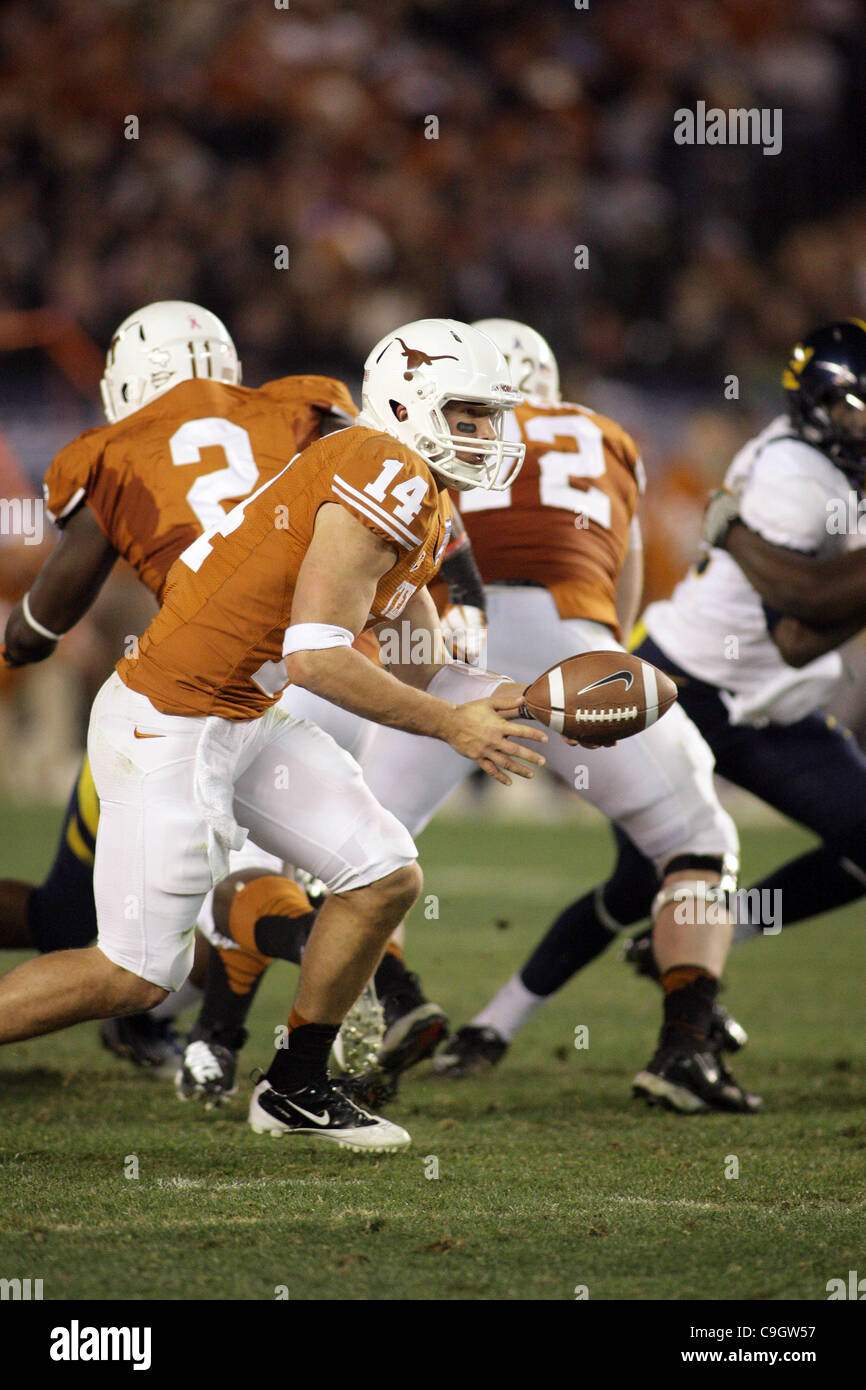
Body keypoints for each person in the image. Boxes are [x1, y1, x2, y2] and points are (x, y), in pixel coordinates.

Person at [0, 316, 547, 1153]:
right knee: (136, 975)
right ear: (407, 403)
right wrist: (452, 727)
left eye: (490, 415)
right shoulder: (383, 466)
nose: (487, 433)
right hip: (171, 719)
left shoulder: (417, 492)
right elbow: (320, 657)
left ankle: (295, 1086)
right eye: (468, 413)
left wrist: (528, 700)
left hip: (242, 716)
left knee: (383, 874)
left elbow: (418, 664)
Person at [355, 319, 758, 1114]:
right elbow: (626, 601)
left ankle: (391, 1005)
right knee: (698, 844)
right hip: (571, 641)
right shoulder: (604, 435)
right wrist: (595, 682)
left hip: (439, 649)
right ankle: (684, 1048)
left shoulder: (420, 436)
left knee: (357, 846)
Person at [478, 320, 866, 1085]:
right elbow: (797, 618)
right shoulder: (797, 472)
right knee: (644, 880)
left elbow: (808, 635)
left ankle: (704, 956)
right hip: (685, 683)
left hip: (774, 706)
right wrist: (749, 545)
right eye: (857, 405)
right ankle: (493, 1025)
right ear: (821, 403)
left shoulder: (840, 471)